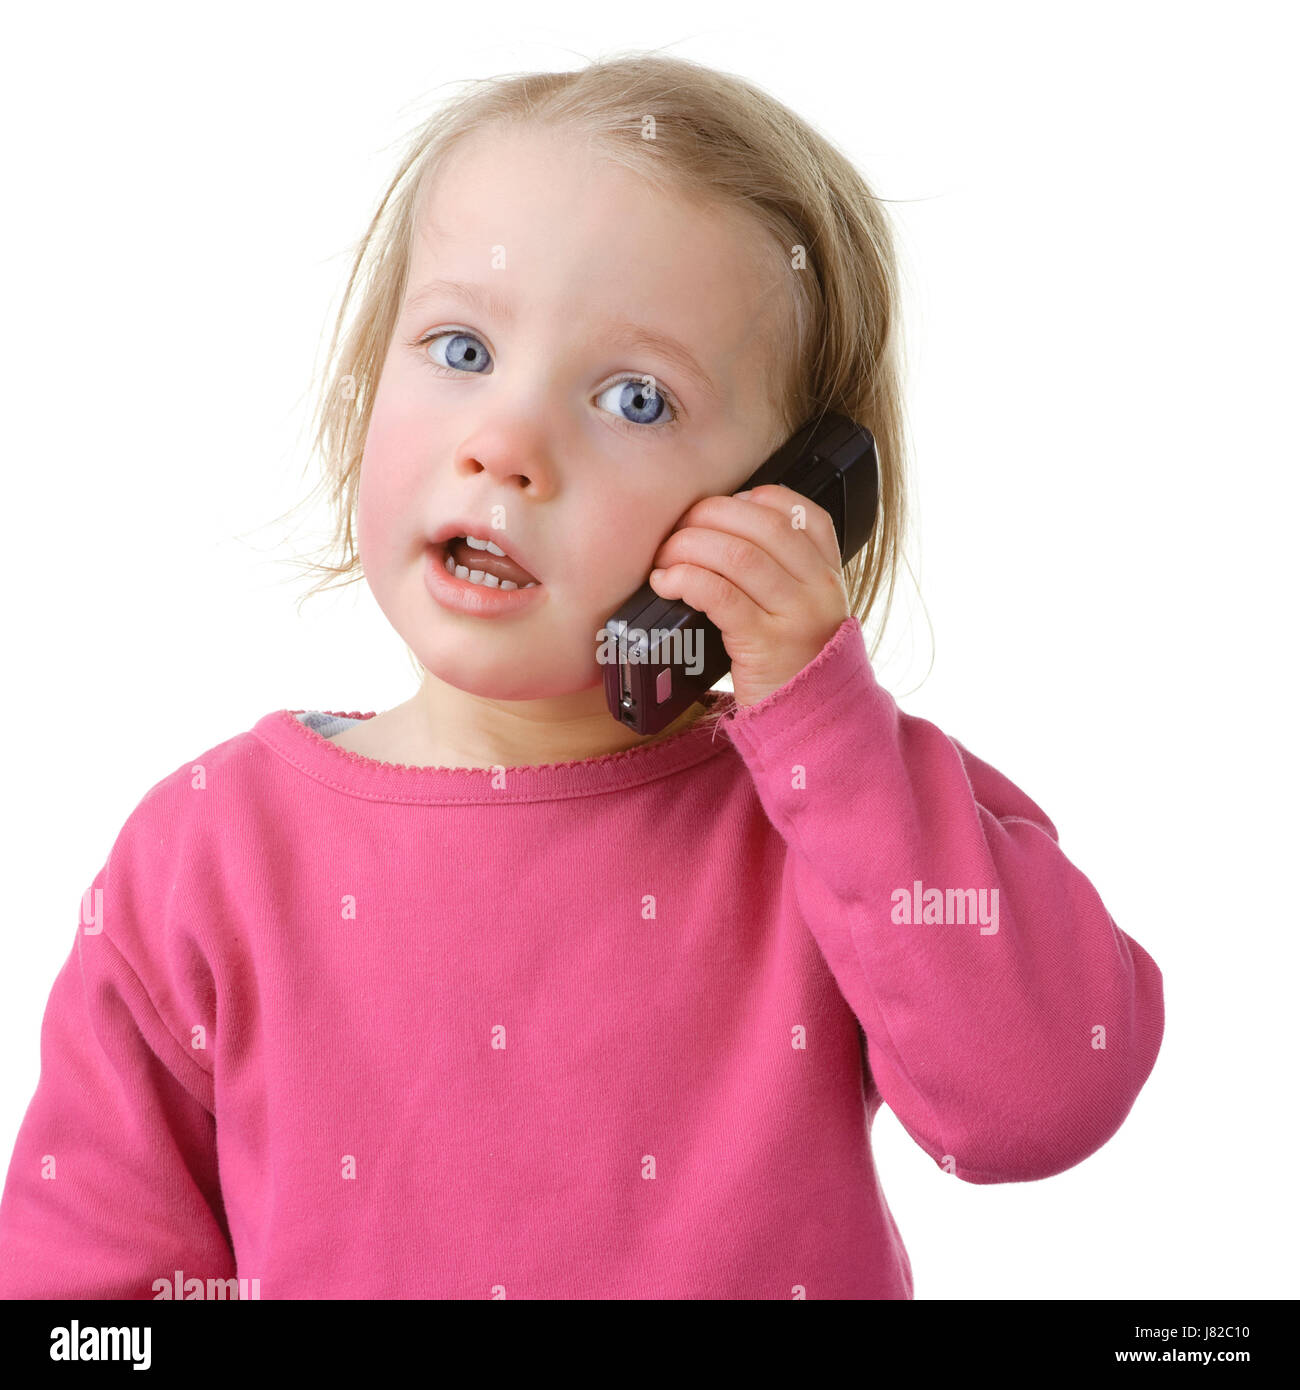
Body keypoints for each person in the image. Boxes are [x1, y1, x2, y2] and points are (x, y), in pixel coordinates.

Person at [0, 51, 1164, 1300]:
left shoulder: (836, 816)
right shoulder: (205, 852)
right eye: (458, 348)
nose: (505, 444)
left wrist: (826, 723)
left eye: (634, 397)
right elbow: (86, 1290)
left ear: (784, 500)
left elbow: (1039, 1100)